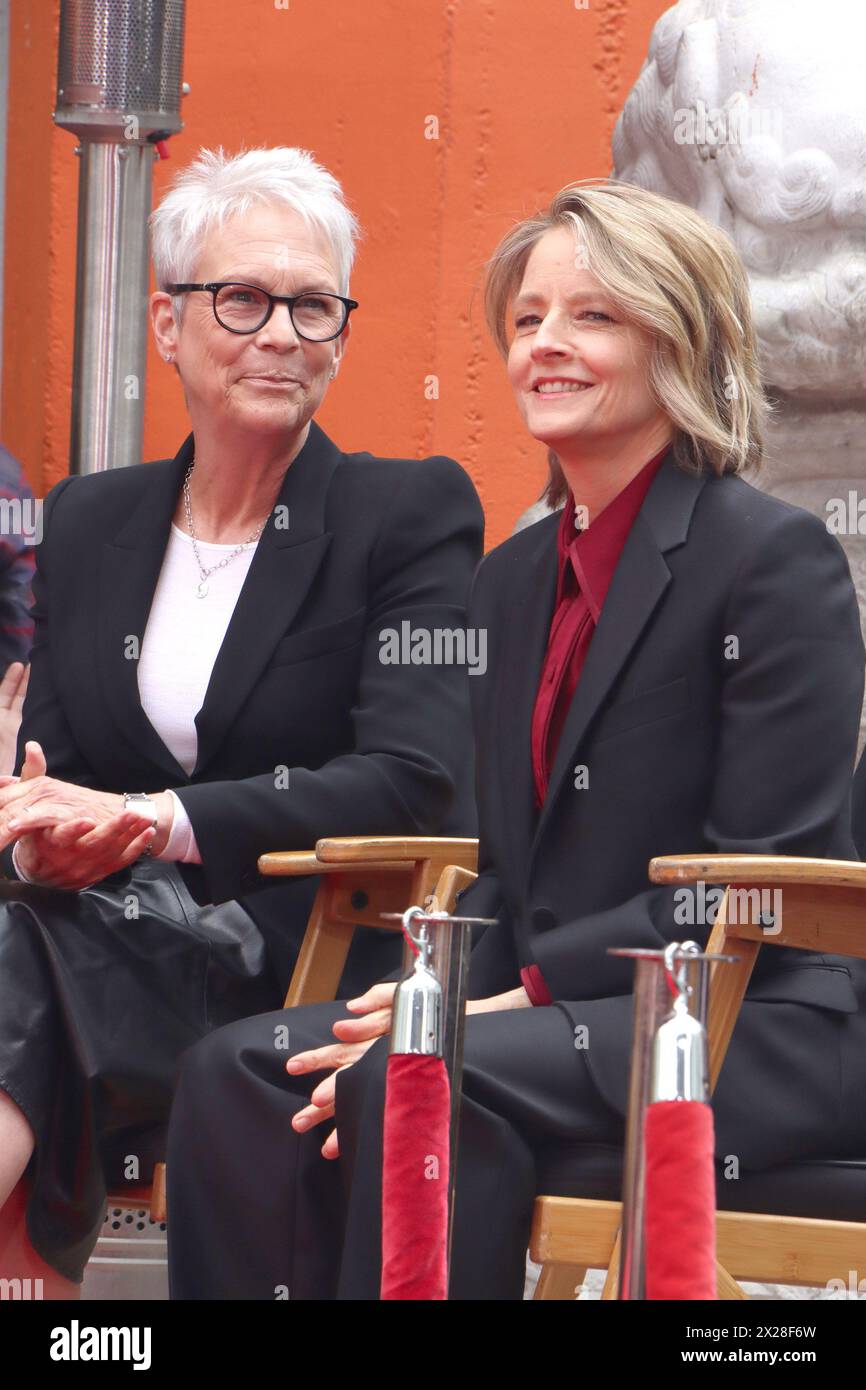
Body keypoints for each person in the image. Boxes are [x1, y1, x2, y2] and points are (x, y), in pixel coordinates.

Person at [166, 180, 866, 1300]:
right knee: (234, 1071)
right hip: (559, 1011)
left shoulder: (771, 562)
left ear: (678, 341)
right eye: (527, 317)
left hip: (751, 1021)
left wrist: (506, 999)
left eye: (591, 316)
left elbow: (752, 887)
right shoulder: (508, 581)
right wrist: (443, 986)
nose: (545, 343)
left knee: (410, 1078)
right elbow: (510, 872)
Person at [0, 145, 482, 1288]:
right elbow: (57, 767)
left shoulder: (405, 512)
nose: (279, 333)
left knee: (15, 955)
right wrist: (41, 823)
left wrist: (155, 816)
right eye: (242, 299)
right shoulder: (89, 518)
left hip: (296, 949)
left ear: (341, 336)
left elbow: (417, 778)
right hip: (91, 934)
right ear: (166, 326)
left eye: (311, 306)